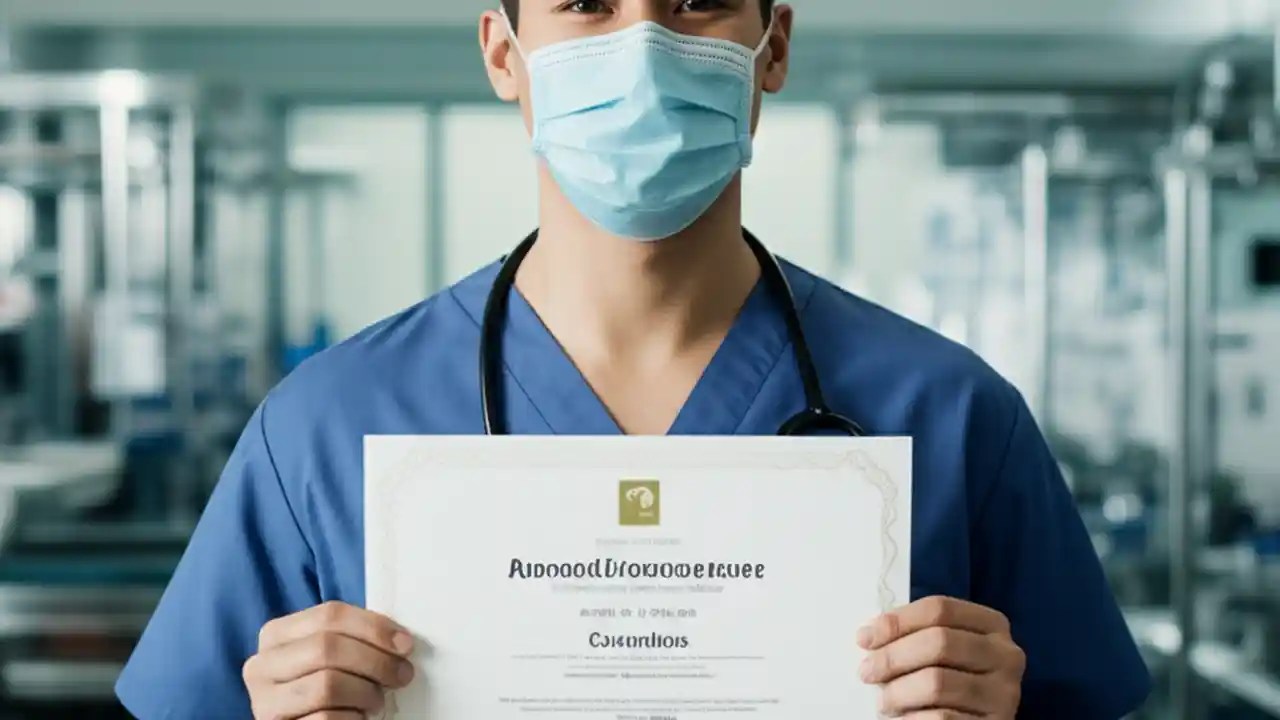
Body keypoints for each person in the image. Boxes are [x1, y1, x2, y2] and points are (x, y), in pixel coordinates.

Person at [116, 1, 1152, 718]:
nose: (645, 47)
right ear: (501, 54)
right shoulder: (322, 426)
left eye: (699, 1)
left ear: (773, 47)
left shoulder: (952, 415)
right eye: (583, 4)